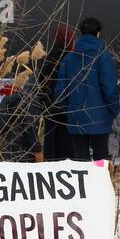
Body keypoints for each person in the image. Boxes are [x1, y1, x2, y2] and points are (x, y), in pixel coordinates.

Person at [57, 17, 120, 161]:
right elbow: (110, 89)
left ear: (81, 33)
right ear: (98, 33)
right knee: (101, 161)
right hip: (100, 118)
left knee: (80, 162)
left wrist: (68, 110)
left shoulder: (68, 59)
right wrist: (113, 110)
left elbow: (60, 90)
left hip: (76, 118)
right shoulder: (104, 57)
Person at [37, 23, 78, 161]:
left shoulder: (46, 60)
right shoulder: (73, 60)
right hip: (67, 109)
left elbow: (41, 86)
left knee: (51, 147)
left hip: (50, 108)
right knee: (67, 149)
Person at [0, 75, 41, 162]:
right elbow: (30, 125)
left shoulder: (10, 99)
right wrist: (38, 150)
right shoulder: (32, 99)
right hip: (22, 151)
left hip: (4, 149)